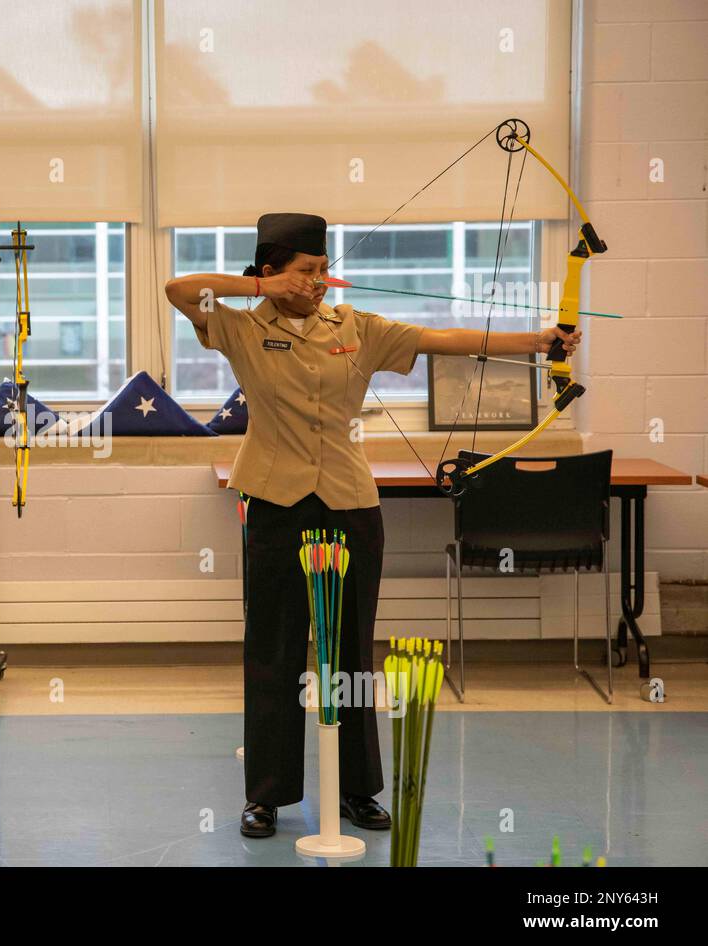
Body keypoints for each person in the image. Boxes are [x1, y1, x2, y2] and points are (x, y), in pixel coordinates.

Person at [165, 213, 580, 838]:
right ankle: (267, 796)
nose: (318, 282)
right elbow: (178, 288)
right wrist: (262, 290)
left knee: (351, 648)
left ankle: (357, 789)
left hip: (350, 502)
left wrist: (537, 342)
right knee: (274, 649)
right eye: (305, 271)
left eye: (321, 270)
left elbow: (445, 338)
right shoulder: (239, 327)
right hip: (276, 503)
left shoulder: (357, 328)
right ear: (274, 270)